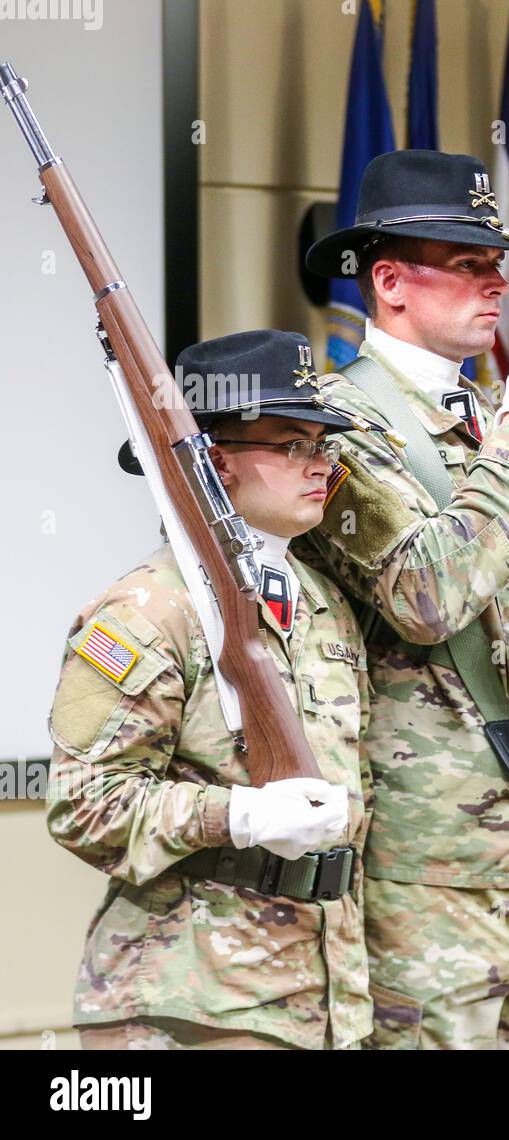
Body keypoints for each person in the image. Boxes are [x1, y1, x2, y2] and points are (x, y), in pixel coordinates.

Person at [300, 149, 509, 1049]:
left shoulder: (496, 416)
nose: (497, 281)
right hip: (425, 863)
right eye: (467, 261)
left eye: (498, 261)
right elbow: (426, 597)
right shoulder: (336, 423)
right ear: (390, 280)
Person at [47, 329, 373, 1050]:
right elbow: (83, 804)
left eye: (324, 445)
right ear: (216, 465)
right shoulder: (147, 611)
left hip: (323, 991)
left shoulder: (319, 603)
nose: (320, 465)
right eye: (292, 444)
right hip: (190, 997)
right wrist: (239, 817)